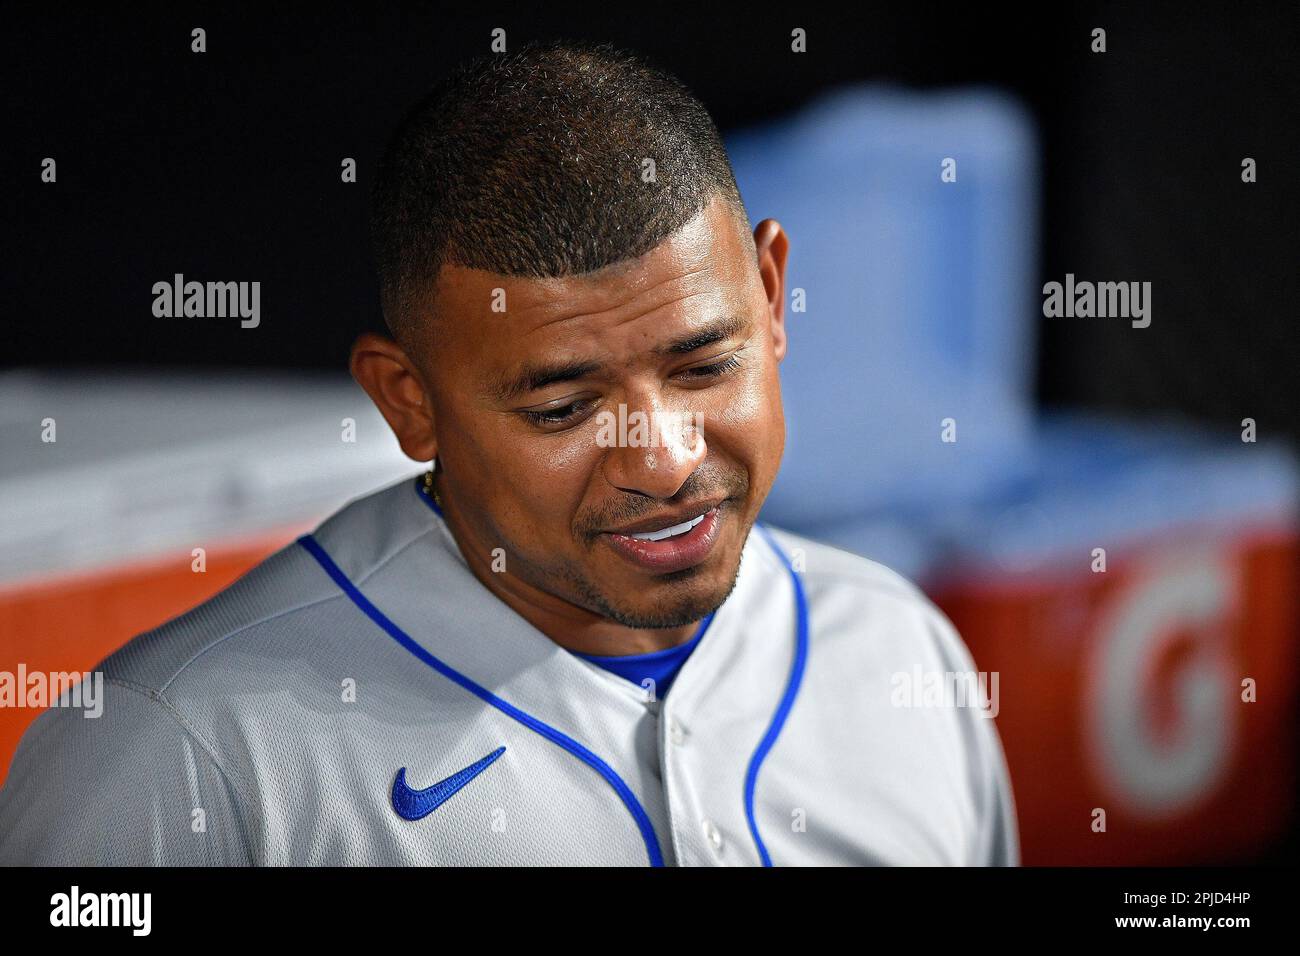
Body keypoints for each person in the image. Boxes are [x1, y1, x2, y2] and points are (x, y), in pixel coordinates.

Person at [0, 39, 1017, 866]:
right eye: (565, 405)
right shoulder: (177, 754)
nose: (661, 459)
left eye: (705, 365)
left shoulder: (898, 650)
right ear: (410, 402)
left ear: (771, 289)